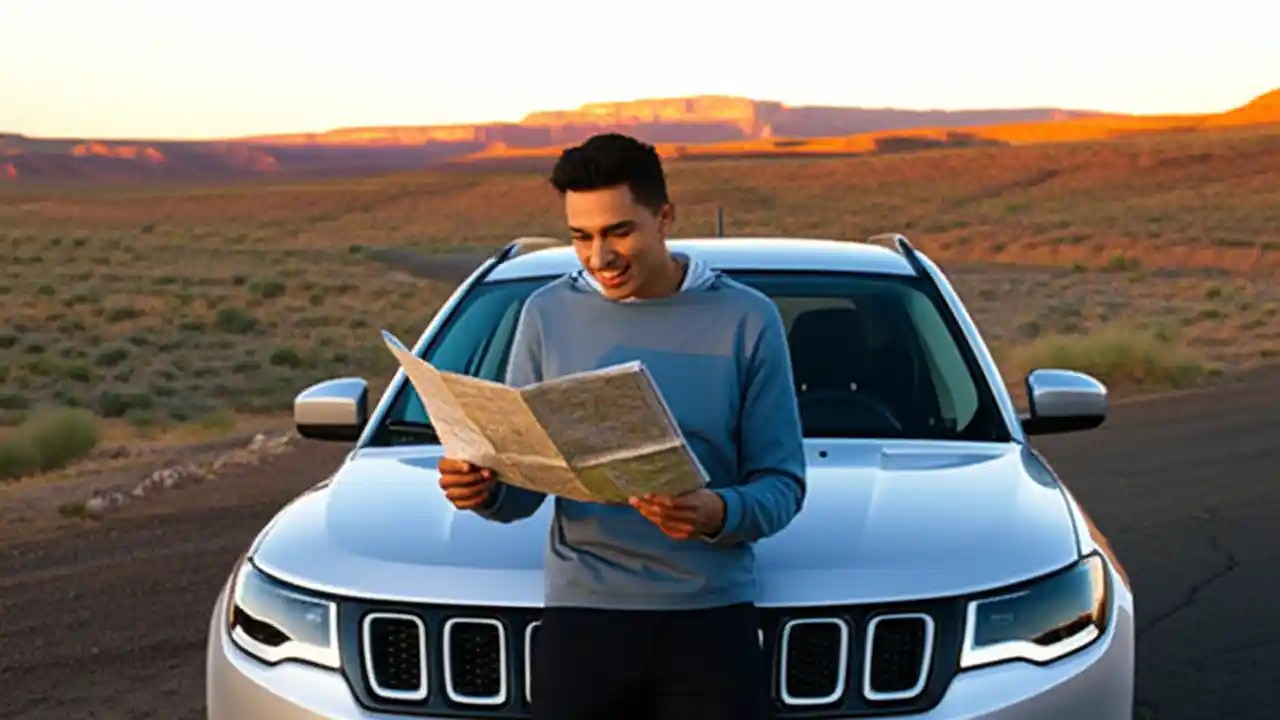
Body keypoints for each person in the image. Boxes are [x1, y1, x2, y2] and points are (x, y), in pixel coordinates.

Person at [436, 132, 806, 720]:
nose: (599, 257)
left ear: (665, 218)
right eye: (581, 236)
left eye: (618, 232)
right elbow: (526, 487)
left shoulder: (747, 318)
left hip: (709, 622)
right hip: (581, 623)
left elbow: (783, 484)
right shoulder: (546, 314)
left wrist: (718, 512)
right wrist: (484, 491)